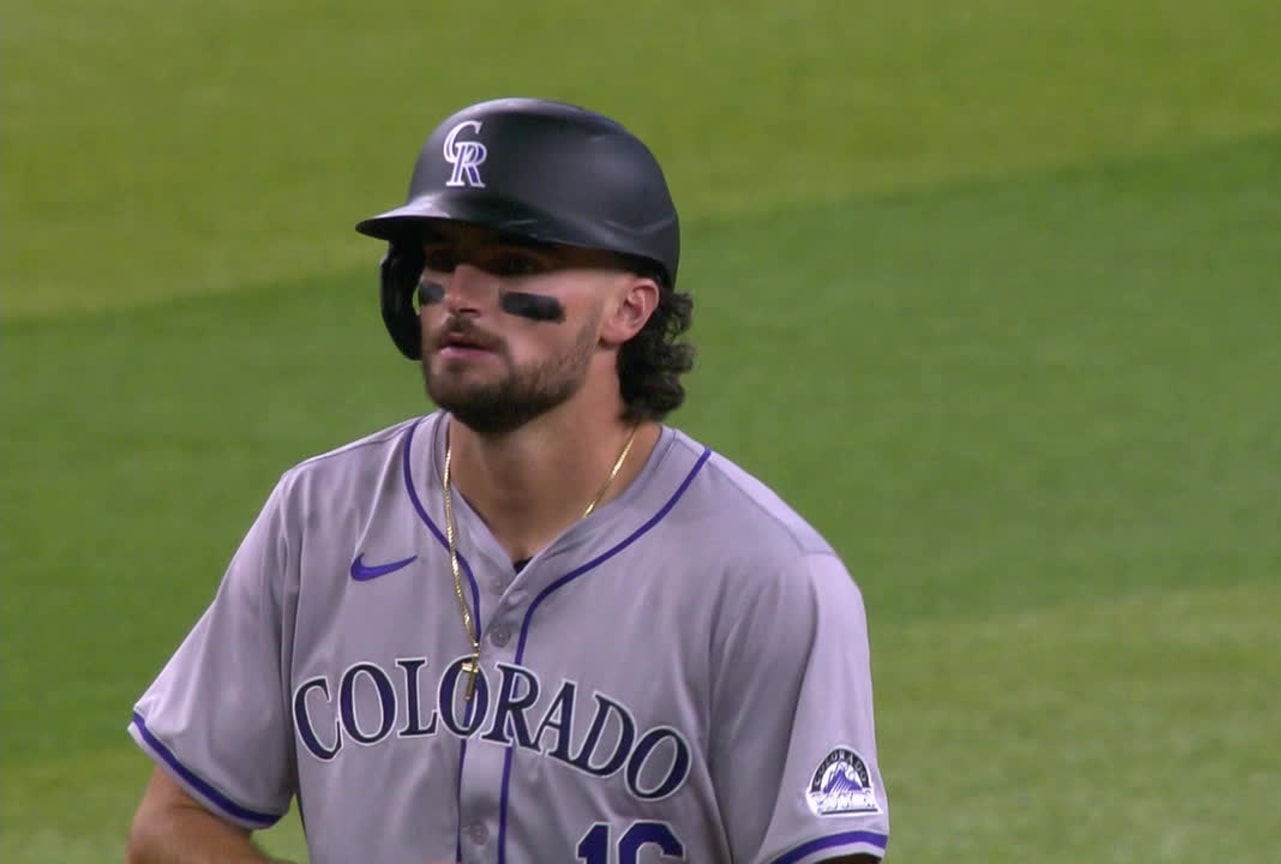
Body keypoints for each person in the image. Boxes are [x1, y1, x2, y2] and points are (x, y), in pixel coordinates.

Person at [123, 97, 890, 864]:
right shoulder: (319, 517)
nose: (460, 296)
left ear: (629, 310)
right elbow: (172, 825)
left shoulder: (765, 577)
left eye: (513, 264)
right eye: (441, 259)